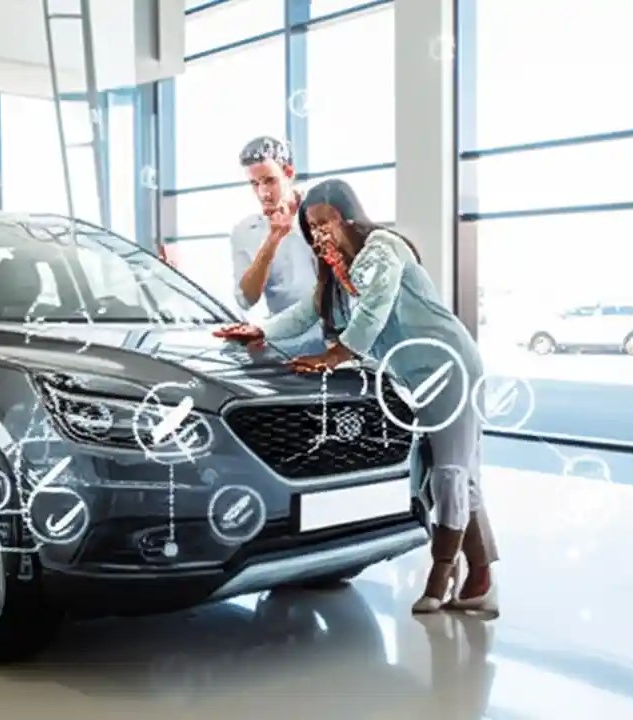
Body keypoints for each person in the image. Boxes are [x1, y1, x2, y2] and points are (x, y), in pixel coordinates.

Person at [214, 178, 500, 616]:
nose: (321, 232)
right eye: (312, 226)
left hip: (448, 365)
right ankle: (480, 579)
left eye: (325, 220)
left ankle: (440, 576)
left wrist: (336, 354)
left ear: (348, 215)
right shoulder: (334, 273)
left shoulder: (383, 248)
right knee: (454, 471)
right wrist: (260, 331)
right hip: (411, 375)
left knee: (450, 473)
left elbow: (375, 308)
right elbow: (304, 314)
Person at [228, 136, 325, 354]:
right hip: (283, 345)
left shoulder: (322, 214)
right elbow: (246, 299)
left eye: (270, 180)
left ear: (288, 173)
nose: (263, 193)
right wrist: (273, 239)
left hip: (332, 338)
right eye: (255, 184)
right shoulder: (246, 231)